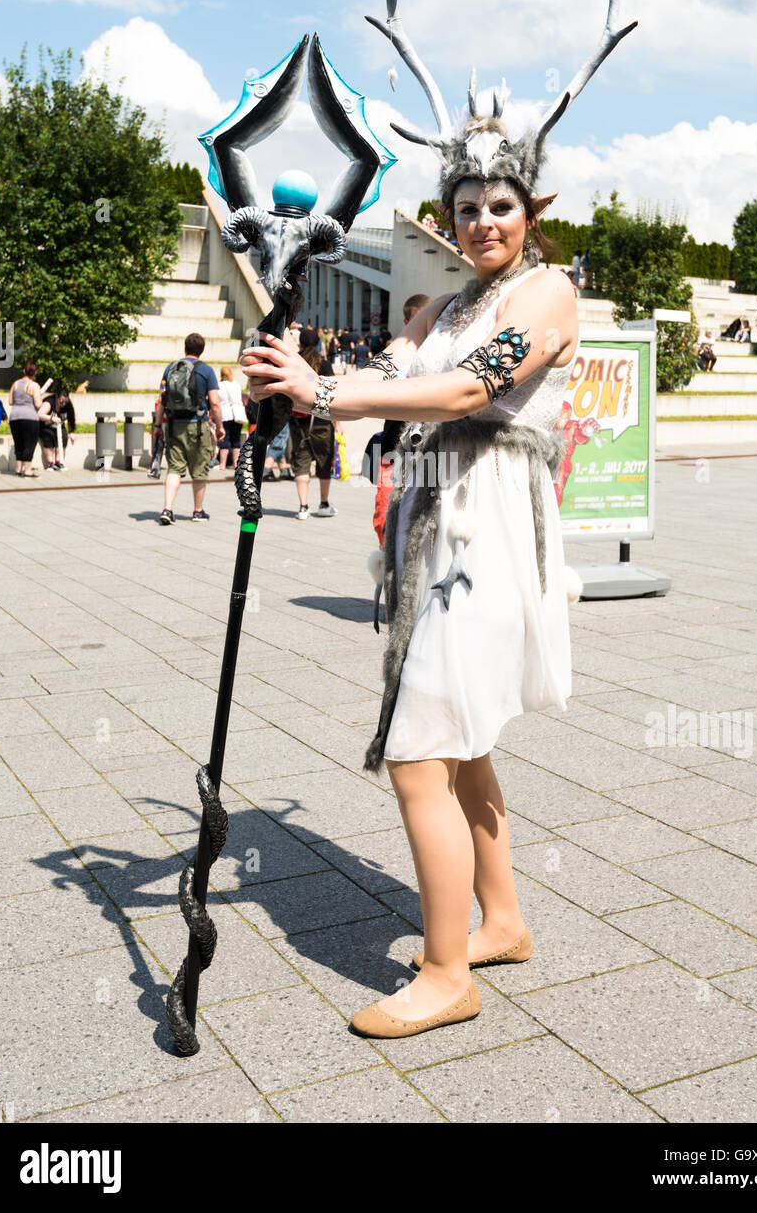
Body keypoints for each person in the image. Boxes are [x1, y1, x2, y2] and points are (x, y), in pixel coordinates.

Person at [241, 135, 578, 1040]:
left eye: (499, 207)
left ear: (529, 213)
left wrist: (323, 398)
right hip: (435, 530)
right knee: (460, 745)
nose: (482, 222)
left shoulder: (547, 292)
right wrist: (289, 371)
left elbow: (471, 391)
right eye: (466, 208)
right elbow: (385, 375)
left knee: (417, 751)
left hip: (490, 535)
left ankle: (443, 973)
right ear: (448, 219)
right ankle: (500, 922)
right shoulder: (438, 306)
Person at [371, 294, 431, 548]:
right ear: (407, 322)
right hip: (393, 453)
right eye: (418, 322)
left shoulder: (446, 360)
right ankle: (388, 565)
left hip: (434, 454)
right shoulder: (394, 356)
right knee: (385, 514)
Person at [158, 332, 224, 525]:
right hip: (197, 426)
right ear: (202, 350)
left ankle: (168, 509)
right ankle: (197, 511)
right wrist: (219, 427)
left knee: (174, 469)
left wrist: (156, 425)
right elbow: (215, 403)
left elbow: (161, 400)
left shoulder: (172, 368)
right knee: (199, 469)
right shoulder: (206, 371)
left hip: (173, 425)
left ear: (185, 348)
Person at [287, 330, 339, 517]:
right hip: (321, 421)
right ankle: (323, 504)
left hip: (297, 420)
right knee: (324, 462)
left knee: (301, 461)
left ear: (299, 342)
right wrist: (337, 421)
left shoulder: (293, 363)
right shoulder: (323, 364)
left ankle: (303, 507)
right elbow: (333, 394)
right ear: (318, 343)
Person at [8, 362, 45, 477]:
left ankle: (18, 469)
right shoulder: (35, 386)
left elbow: (10, 402)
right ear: (35, 373)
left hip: (14, 416)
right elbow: (38, 404)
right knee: (29, 444)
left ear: (24, 371)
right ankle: (27, 470)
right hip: (29, 417)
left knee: (18, 443)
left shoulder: (15, 384)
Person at [218, 365, 247, 473]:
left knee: (224, 439)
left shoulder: (219, 385)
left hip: (225, 414)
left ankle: (222, 464)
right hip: (237, 414)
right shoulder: (236, 384)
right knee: (236, 439)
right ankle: (236, 463)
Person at [39, 386, 76, 470]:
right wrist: (51, 418)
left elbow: (71, 417)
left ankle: (59, 462)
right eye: (61, 401)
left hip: (59, 426)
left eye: (65, 401)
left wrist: (71, 431)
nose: (63, 403)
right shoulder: (49, 403)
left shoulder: (67, 404)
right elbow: (40, 414)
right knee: (49, 436)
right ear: (56, 397)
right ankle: (50, 463)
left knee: (64, 437)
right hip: (45, 425)